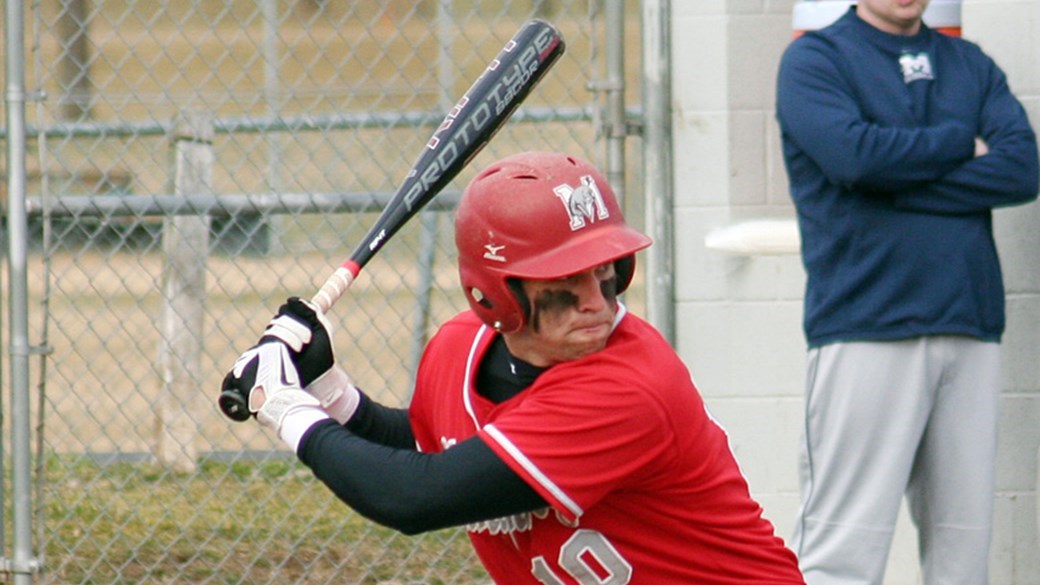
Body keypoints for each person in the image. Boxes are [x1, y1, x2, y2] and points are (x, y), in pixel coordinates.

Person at [220, 151, 805, 584]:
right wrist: (328, 389)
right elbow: (439, 449)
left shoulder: (628, 387)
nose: (597, 300)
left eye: (605, 269)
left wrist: (283, 407)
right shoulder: (456, 349)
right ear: (497, 293)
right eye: (565, 280)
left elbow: (413, 497)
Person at [775, 1, 1039, 584]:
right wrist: (957, 144)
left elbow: (1021, 170)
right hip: (866, 323)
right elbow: (853, 158)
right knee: (840, 553)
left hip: (970, 323)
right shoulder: (815, 60)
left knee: (962, 558)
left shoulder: (968, 64)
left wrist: (891, 188)